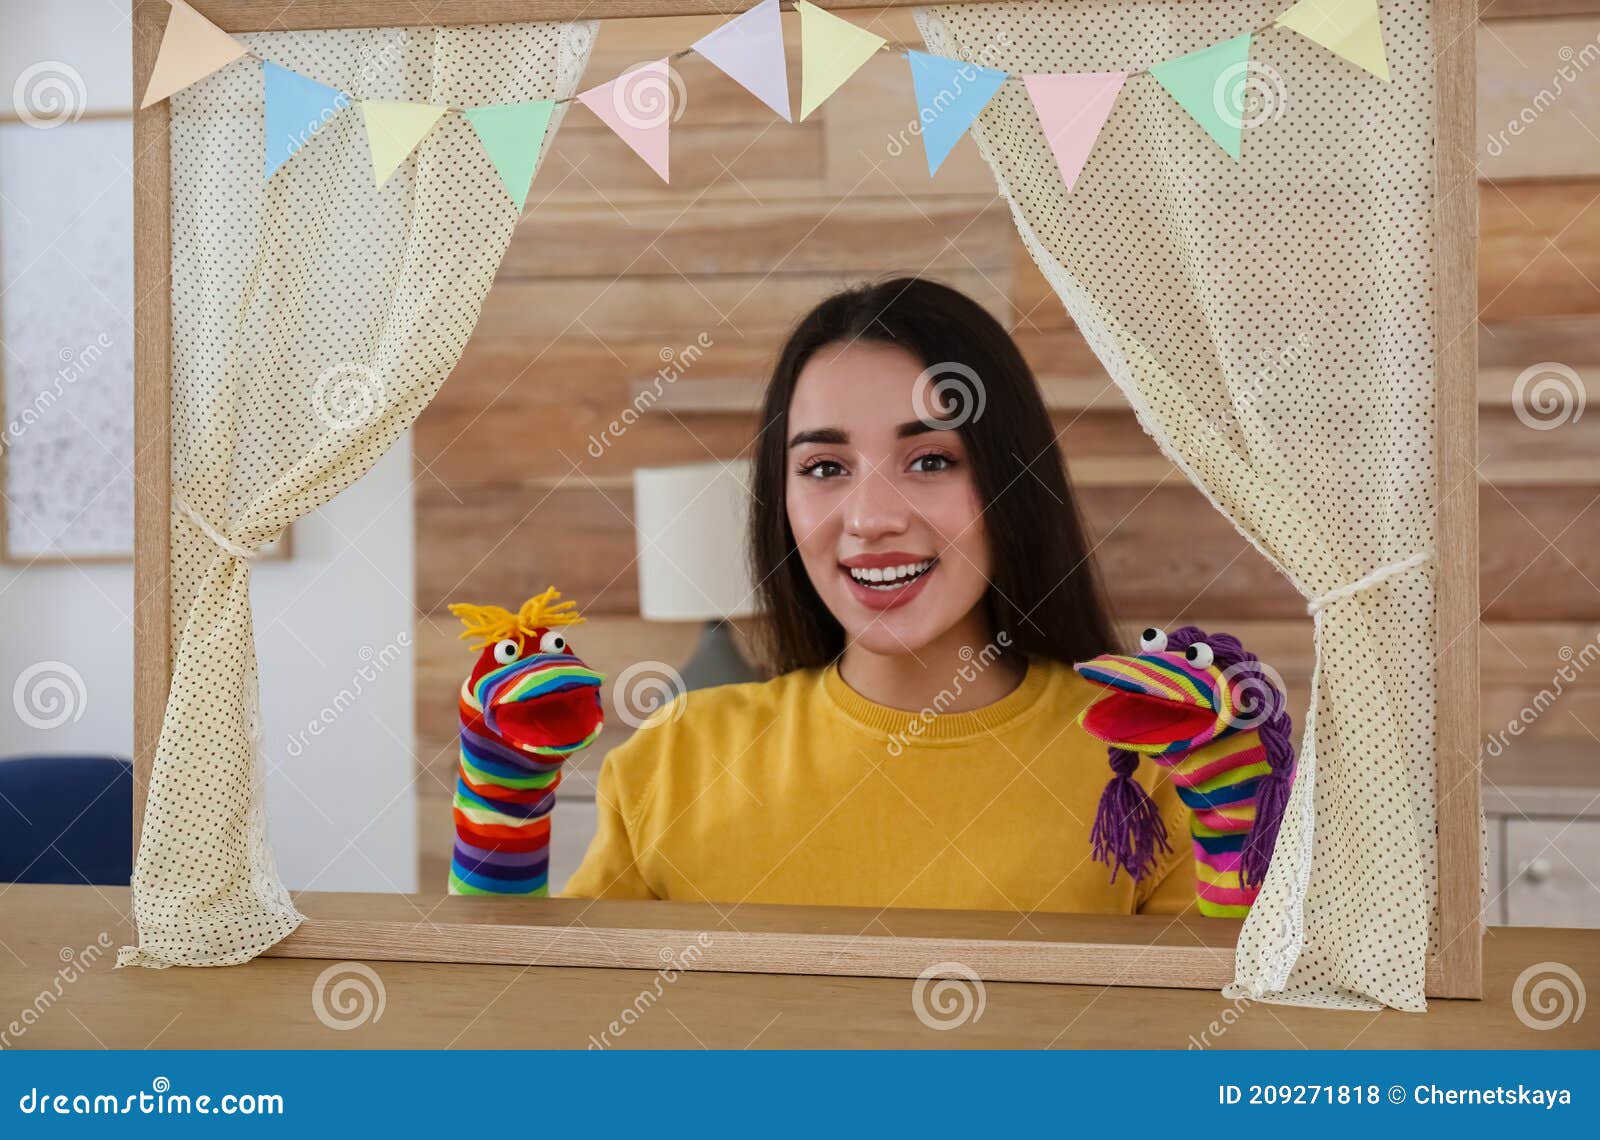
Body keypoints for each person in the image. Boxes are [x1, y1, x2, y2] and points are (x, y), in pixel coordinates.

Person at [563, 276, 1194, 915]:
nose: (869, 519)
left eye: (930, 461)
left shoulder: (1158, 765)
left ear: (1013, 482)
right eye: (825, 468)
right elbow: (552, 998)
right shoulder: (673, 759)